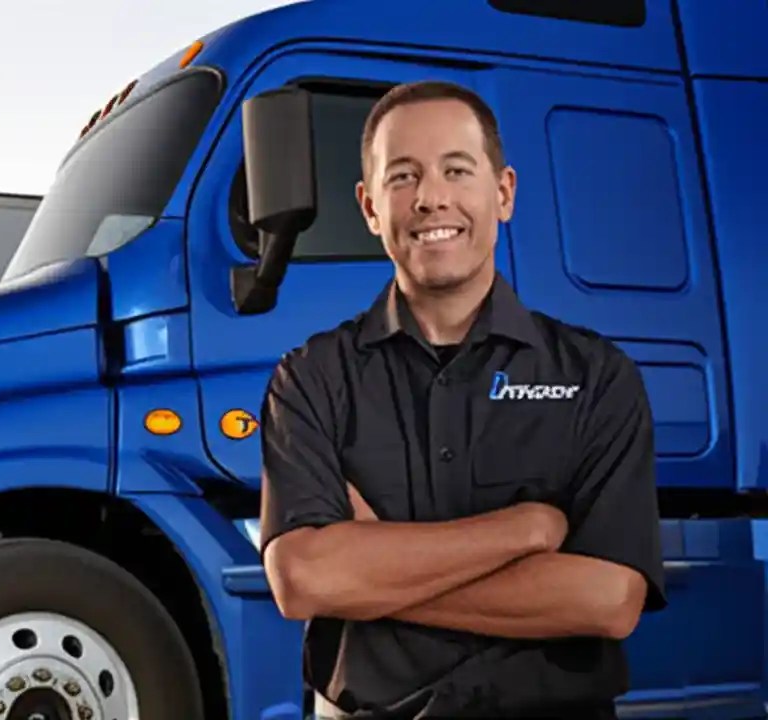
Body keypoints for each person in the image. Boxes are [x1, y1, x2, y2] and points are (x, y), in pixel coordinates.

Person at [257, 80, 667, 719]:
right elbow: (304, 579)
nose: (431, 198)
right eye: (403, 176)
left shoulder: (598, 376)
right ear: (369, 207)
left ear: (502, 193)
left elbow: (609, 600)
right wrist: (525, 529)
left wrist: (370, 573)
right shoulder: (311, 379)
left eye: (456, 169)